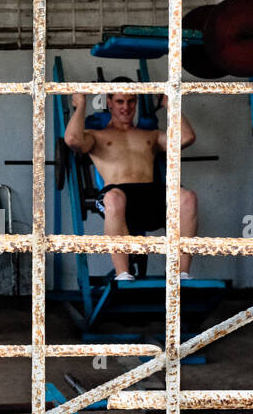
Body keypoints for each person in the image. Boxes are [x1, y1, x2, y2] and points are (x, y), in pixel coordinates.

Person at [63, 78, 198, 279]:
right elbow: (73, 140)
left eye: (131, 101)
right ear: (109, 102)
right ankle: (123, 273)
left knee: (187, 197)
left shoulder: (149, 134)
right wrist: (81, 104)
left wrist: (170, 104)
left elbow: (186, 138)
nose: (126, 107)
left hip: (150, 196)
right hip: (118, 197)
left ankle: (182, 274)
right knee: (113, 198)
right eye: (119, 102)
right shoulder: (96, 135)